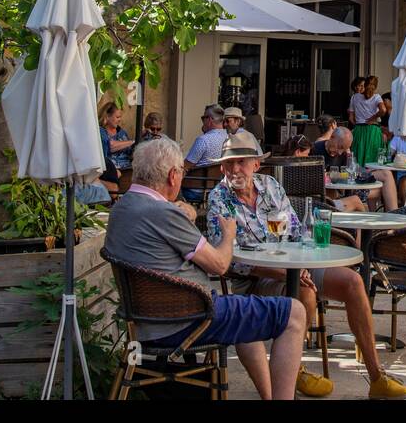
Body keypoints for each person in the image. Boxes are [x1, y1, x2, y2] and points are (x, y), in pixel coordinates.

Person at [206, 131, 406, 400]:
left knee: (353, 282)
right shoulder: (219, 199)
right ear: (221, 166)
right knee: (304, 292)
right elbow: (229, 259)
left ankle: (377, 377)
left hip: (293, 266)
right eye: (229, 163)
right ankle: (296, 368)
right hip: (257, 279)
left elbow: (294, 229)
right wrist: (286, 271)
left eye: (242, 161)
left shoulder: (270, 185)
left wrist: (302, 262)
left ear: (256, 164)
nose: (235, 169)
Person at [104, 137, 307, 400]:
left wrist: (185, 212)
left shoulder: (122, 209)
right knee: (294, 313)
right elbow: (221, 265)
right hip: (188, 320)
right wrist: (228, 235)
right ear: (173, 176)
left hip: (146, 322)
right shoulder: (163, 215)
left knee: (244, 311)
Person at [183, 104, 228, 201]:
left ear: (210, 119)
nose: (202, 121)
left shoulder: (203, 140)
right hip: (219, 189)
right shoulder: (230, 138)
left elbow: (185, 165)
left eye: (203, 118)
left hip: (196, 191)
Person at [321, 128, 369, 211]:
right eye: (340, 147)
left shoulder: (343, 154)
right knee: (356, 201)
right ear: (332, 137)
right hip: (322, 203)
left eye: (344, 149)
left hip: (335, 199)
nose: (340, 152)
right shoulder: (316, 150)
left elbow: (349, 175)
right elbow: (320, 177)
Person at [347, 76, 385, 170]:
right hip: (373, 131)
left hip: (359, 130)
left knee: (357, 160)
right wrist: (373, 118)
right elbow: (383, 110)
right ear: (375, 87)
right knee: (373, 160)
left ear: (365, 85)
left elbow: (351, 118)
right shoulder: (377, 97)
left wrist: (358, 124)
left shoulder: (355, 97)